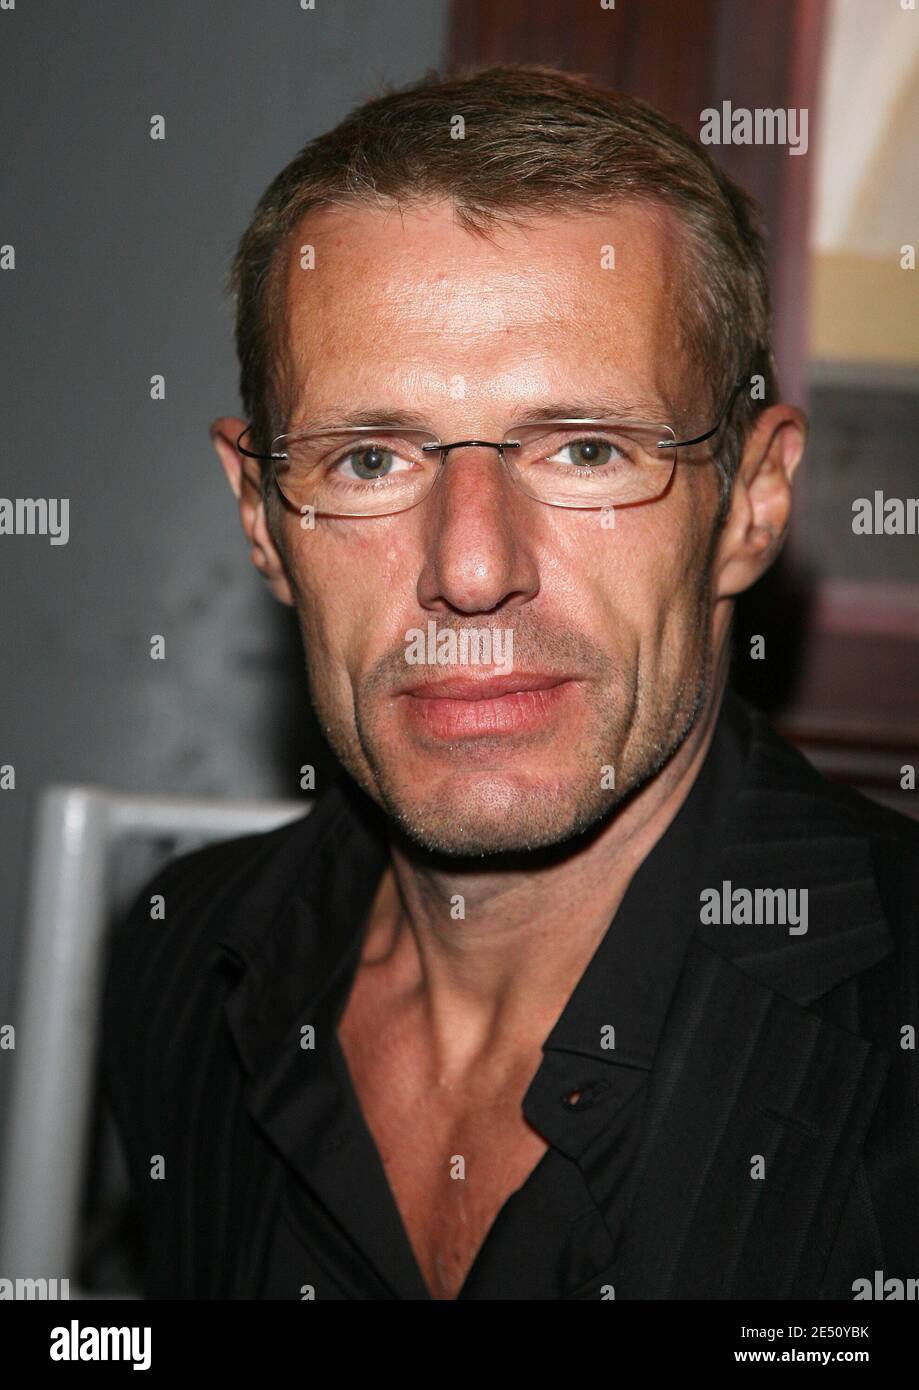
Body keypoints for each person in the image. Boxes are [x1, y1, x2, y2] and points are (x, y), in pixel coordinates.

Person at [101, 64, 919, 1301]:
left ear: (751, 505)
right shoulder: (183, 966)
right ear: (262, 516)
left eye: (586, 448)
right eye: (371, 457)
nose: (472, 567)